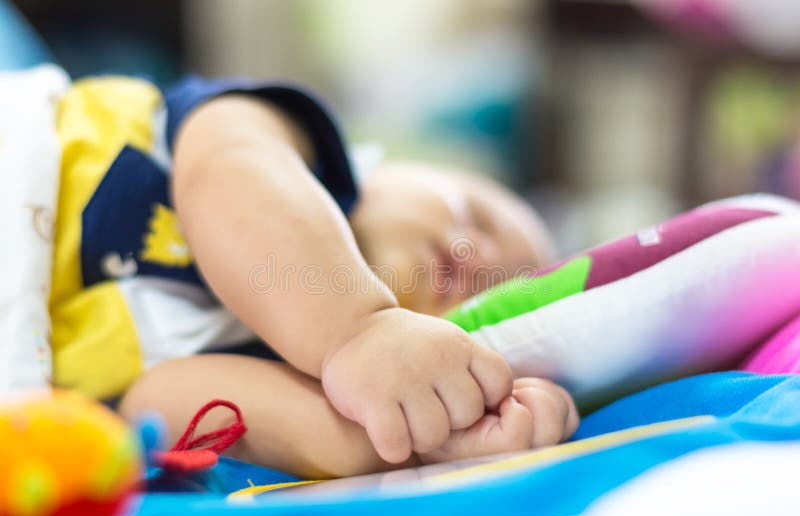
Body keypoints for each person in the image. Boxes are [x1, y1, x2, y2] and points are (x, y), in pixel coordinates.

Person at [48, 75, 578, 478]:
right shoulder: (288, 141)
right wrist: (357, 329)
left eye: (496, 292)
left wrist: (426, 435)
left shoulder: (306, 366)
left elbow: (151, 406)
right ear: (396, 166)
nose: (481, 259)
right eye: (473, 215)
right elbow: (227, 167)